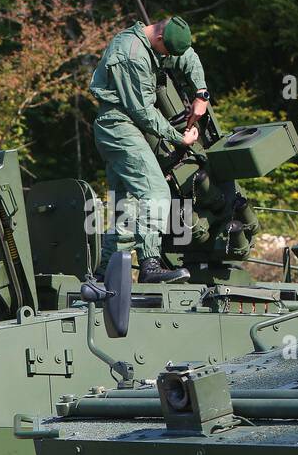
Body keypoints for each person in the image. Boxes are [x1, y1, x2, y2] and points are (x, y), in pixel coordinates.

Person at [90, 15, 211, 283]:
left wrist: (201, 94)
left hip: (126, 125)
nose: (168, 57)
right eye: (166, 52)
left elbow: (187, 55)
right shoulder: (131, 55)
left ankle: (102, 279)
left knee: (127, 210)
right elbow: (143, 112)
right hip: (119, 126)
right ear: (159, 38)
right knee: (155, 192)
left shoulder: (154, 42)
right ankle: (150, 265)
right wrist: (179, 138)